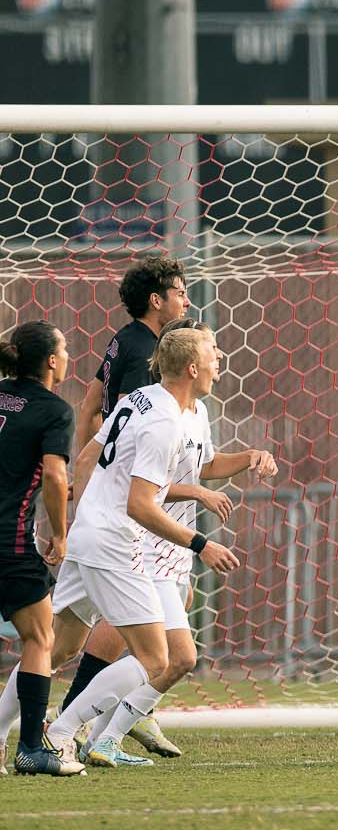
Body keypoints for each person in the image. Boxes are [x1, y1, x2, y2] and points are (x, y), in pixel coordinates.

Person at [60, 320, 276, 762]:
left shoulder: (193, 412)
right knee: (159, 654)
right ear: (191, 363)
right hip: (144, 542)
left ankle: (97, 735)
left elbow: (204, 465)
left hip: (162, 545)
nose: (220, 357)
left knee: (164, 657)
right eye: (213, 348)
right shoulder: (158, 413)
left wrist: (250, 457)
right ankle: (66, 725)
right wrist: (200, 533)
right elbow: (140, 490)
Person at [58, 255, 192, 758]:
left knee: (72, 635)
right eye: (179, 291)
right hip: (127, 513)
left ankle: (112, 716)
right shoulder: (148, 358)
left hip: (105, 507)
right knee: (137, 625)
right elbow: (132, 434)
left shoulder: (122, 340)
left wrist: (85, 474)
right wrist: (102, 481)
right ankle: (81, 722)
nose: (185, 298)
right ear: (156, 300)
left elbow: (91, 412)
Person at [0, 322, 85, 776]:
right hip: (9, 541)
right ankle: (32, 748)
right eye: (65, 348)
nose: (68, 354)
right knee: (39, 638)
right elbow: (53, 475)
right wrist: (60, 533)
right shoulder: (54, 409)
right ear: (51, 361)